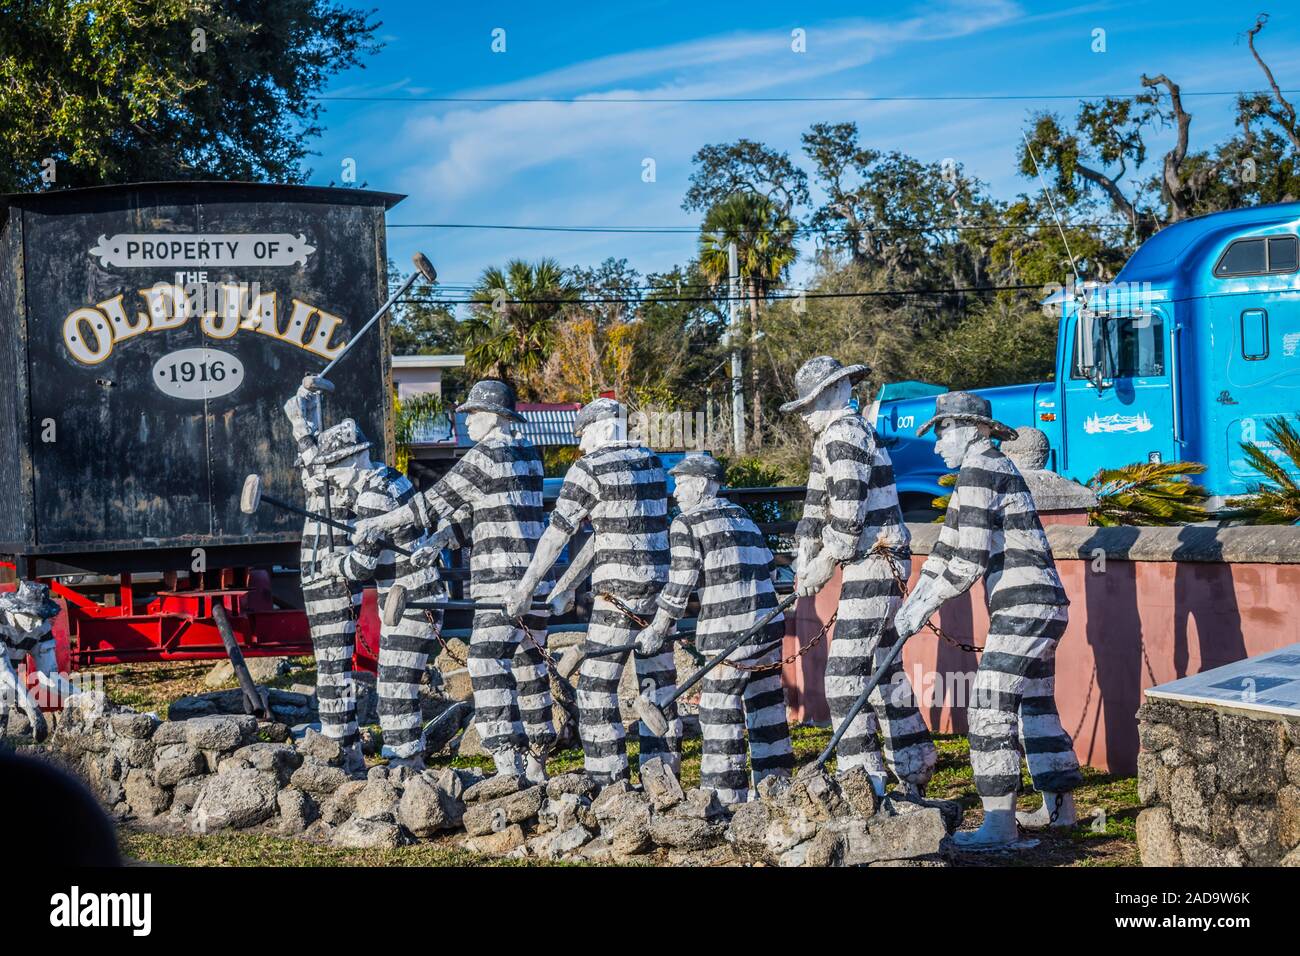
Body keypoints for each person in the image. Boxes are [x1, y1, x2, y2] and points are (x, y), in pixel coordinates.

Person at [894, 390, 1083, 848]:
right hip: (1035, 605)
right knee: (1035, 705)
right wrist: (911, 603)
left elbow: (970, 559)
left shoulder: (983, 467)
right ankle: (1062, 810)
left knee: (987, 705)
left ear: (973, 429)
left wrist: (923, 607)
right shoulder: (975, 474)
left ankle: (999, 824)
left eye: (942, 431)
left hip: (1024, 606)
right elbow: (944, 553)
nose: (937, 444)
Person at [356, 380, 555, 783]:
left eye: (473, 415)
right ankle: (539, 759)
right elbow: (480, 513)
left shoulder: (485, 455)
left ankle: (506, 760)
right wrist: (437, 543)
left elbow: (429, 505)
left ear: (494, 416)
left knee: (485, 661)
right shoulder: (529, 455)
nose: (467, 423)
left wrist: (377, 524)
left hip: (501, 583)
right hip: (537, 582)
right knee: (530, 665)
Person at [502, 397, 680, 786]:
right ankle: (663, 779)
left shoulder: (588, 468)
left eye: (582, 434)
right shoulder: (651, 462)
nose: (580, 445)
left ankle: (609, 782)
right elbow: (609, 535)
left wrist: (526, 587)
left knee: (596, 689)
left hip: (617, 598)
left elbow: (556, 534)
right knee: (656, 685)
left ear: (602, 427)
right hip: (662, 596)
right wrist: (566, 586)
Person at [781, 355, 937, 798]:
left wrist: (823, 564)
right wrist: (803, 563)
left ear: (833, 393)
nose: (805, 414)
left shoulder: (845, 434)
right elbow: (814, 510)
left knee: (844, 676)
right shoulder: (829, 438)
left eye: (809, 404)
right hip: (871, 562)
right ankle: (915, 762)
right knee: (883, 671)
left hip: (876, 560)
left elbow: (847, 521)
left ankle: (863, 782)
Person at [634, 454, 794, 805]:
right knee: (766, 707)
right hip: (767, 628)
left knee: (717, 711)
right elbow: (770, 571)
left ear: (703, 483)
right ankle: (777, 789)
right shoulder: (745, 517)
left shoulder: (686, 524)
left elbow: (678, 590)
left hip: (728, 636)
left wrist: (657, 630)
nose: (675, 492)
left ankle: (725, 796)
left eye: (682, 482)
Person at [309, 418, 444, 770]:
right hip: (418, 595)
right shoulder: (392, 478)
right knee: (398, 683)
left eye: (333, 469)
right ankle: (407, 759)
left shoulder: (371, 495)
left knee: (395, 687)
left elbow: (362, 567)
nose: (331, 478)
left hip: (410, 600)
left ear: (352, 461)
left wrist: (332, 565)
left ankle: (406, 763)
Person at [284, 380, 367, 772]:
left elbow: (308, 447)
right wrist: (306, 401)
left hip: (332, 577)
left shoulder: (334, 484)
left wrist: (306, 405)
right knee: (332, 662)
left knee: (335, 662)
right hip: (322, 578)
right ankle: (341, 742)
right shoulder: (326, 480)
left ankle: (343, 740)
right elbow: (307, 446)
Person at [0, 580, 81, 742]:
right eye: (31, 614)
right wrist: (31, 707)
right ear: (17, 609)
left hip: (6, 676)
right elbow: (4, 671)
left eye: (41, 615)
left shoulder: (40, 627)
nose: (36, 622)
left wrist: (83, 697)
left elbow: (49, 677)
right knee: (3, 692)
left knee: (5, 693)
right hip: (3, 671)